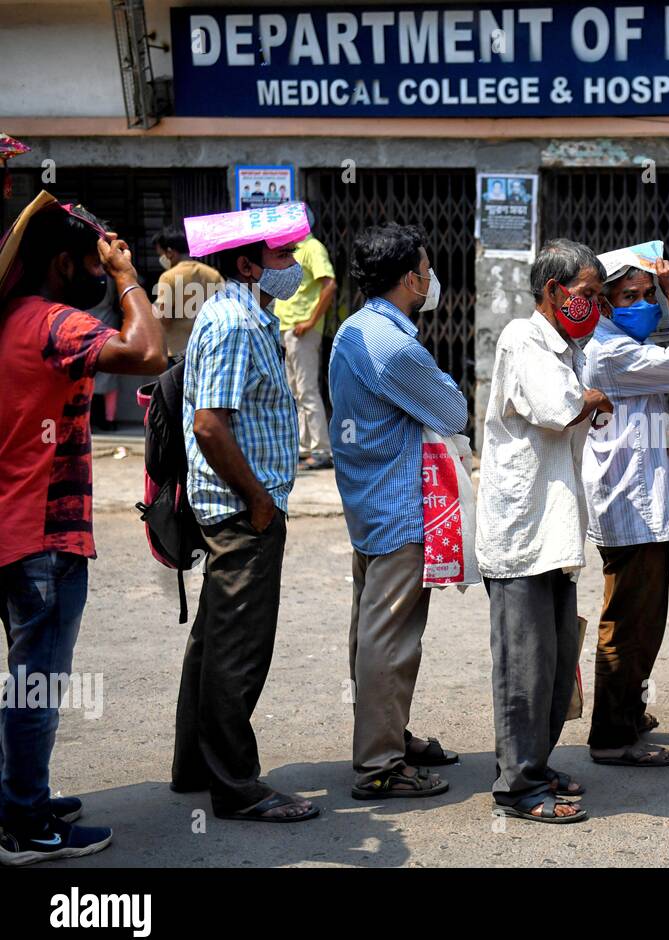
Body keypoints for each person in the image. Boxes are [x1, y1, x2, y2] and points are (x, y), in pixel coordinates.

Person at [0, 200, 165, 864]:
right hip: (45, 536)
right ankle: (28, 823)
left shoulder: (11, 319)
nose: (99, 271)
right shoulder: (51, 322)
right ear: (63, 263)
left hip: (14, 527)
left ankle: (18, 796)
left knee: (21, 679)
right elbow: (148, 349)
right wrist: (127, 274)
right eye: (91, 262)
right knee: (36, 682)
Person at [173, 224, 319, 824]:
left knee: (214, 640)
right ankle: (237, 787)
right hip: (240, 509)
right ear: (249, 267)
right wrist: (258, 500)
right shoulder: (235, 322)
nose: (293, 265)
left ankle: (195, 768)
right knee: (239, 649)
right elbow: (210, 425)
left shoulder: (246, 316)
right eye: (281, 256)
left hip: (239, 503)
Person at [329, 223, 470, 800]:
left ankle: (387, 735)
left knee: (375, 629)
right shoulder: (393, 345)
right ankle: (380, 764)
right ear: (411, 278)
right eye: (427, 268)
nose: (432, 277)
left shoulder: (354, 330)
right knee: (391, 637)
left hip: (372, 502)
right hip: (398, 507)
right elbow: (454, 410)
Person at [476, 239, 611, 823]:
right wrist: (593, 397)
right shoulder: (523, 338)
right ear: (553, 292)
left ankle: (532, 761)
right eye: (587, 295)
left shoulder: (564, 347)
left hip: (552, 530)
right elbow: (560, 408)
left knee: (555, 663)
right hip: (521, 532)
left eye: (599, 297)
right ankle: (519, 785)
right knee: (524, 668)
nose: (595, 307)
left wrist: (589, 396)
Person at [582, 252, 669, 766]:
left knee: (644, 619)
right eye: (628, 297)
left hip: (645, 502)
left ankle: (629, 713)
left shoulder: (628, 349)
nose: (643, 306)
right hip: (629, 506)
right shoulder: (612, 351)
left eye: (649, 296)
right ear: (607, 304)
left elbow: (648, 415)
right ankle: (612, 737)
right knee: (628, 622)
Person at [273, 207, 336, 470]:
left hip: (302, 330)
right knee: (295, 391)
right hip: (289, 328)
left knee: (306, 389)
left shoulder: (312, 247)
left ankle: (320, 449)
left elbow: (329, 284)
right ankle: (303, 447)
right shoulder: (295, 249)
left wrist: (310, 321)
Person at [153, 223, 222, 362]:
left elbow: (164, 319)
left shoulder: (168, 277)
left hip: (178, 351)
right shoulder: (212, 274)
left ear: (170, 252)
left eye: (161, 254)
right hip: (208, 347)